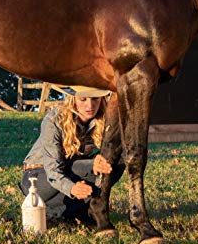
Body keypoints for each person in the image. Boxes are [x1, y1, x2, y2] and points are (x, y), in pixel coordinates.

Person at [19, 86, 124, 226]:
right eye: (83, 99)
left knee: (115, 162)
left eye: (95, 99)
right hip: (38, 177)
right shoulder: (54, 120)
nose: (90, 105)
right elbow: (53, 170)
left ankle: (71, 211)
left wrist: (101, 159)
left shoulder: (103, 120)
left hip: (72, 172)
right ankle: (63, 211)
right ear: (73, 99)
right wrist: (71, 188)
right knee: (86, 167)